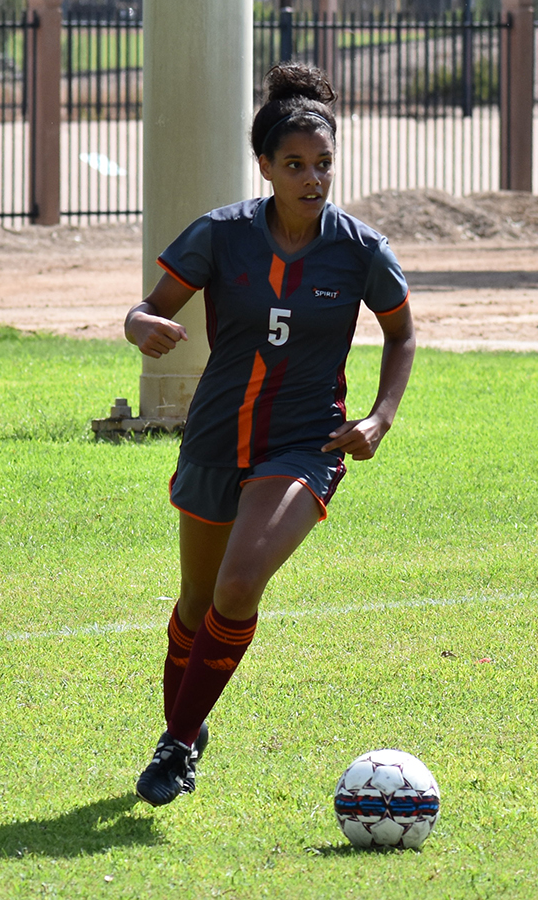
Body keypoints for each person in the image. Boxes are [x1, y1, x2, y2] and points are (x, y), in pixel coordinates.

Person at [124, 63, 417, 807]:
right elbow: (149, 307)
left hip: (304, 444)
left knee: (240, 582)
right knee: (196, 604)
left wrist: (381, 416)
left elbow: (401, 333)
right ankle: (186, 731)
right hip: (217, 437)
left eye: (322, 165)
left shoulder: (358, 250)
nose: (312, 179)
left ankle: (175, 745)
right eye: (295, 165)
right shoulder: (222, 236)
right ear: (265, 167)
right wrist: (142, 325)